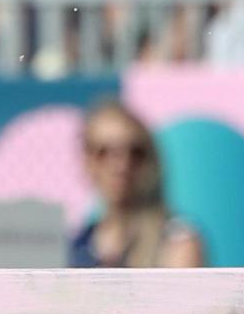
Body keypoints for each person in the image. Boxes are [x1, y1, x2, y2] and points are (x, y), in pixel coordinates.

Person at [67, 100, 208, 268]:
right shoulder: (77, 246)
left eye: (135, 152)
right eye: (103, 152)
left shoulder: (178, 239)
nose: (121, 165)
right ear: (87, 161)